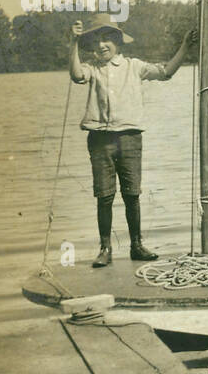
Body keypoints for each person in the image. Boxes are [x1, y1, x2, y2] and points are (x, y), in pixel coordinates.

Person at [69, 14, 196, 267]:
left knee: (132, 194)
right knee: (104, 196)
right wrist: (72, 43)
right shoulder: (91, 68)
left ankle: (136, 245)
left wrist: (185, 46)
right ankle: (105, 248)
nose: (101, 46)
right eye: (95, 41)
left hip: (129, 138)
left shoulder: (134, 66)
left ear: (118, 41)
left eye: (107, 39)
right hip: (100, 139)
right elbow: (75, 75)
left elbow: (166, 72)